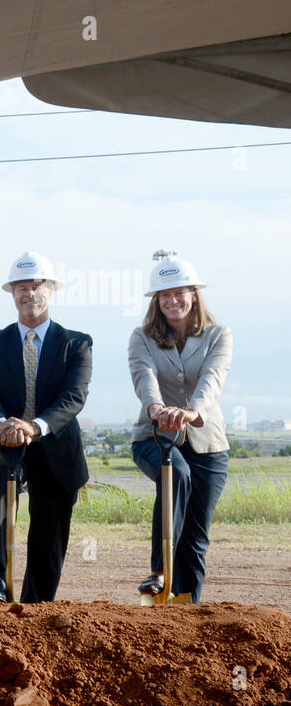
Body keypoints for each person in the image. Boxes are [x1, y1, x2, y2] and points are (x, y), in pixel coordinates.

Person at [0, 251, 92, 603]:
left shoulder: (77, 343)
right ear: (12, 293)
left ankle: (36, 606)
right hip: (4, 440)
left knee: (49, 529)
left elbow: (73, 397)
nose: (29, 294)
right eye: (21, 288)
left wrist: (34, 427)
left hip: (54, 443)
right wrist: (1, 425)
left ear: (51, 290)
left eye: (36, 286)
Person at [128, 253, 232, 602]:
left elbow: (212, 380)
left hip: (208, 442)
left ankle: (186, 615)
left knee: (195, 540)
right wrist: (157, 409)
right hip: (155, 436)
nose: (172, 301)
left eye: (178, 293)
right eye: (163, 295)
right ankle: (159, 571)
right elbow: (144, 378)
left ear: (194, 294)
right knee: (177, 474)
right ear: (156, 302)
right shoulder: (142, 337)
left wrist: (191, 412)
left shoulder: (219, 336)